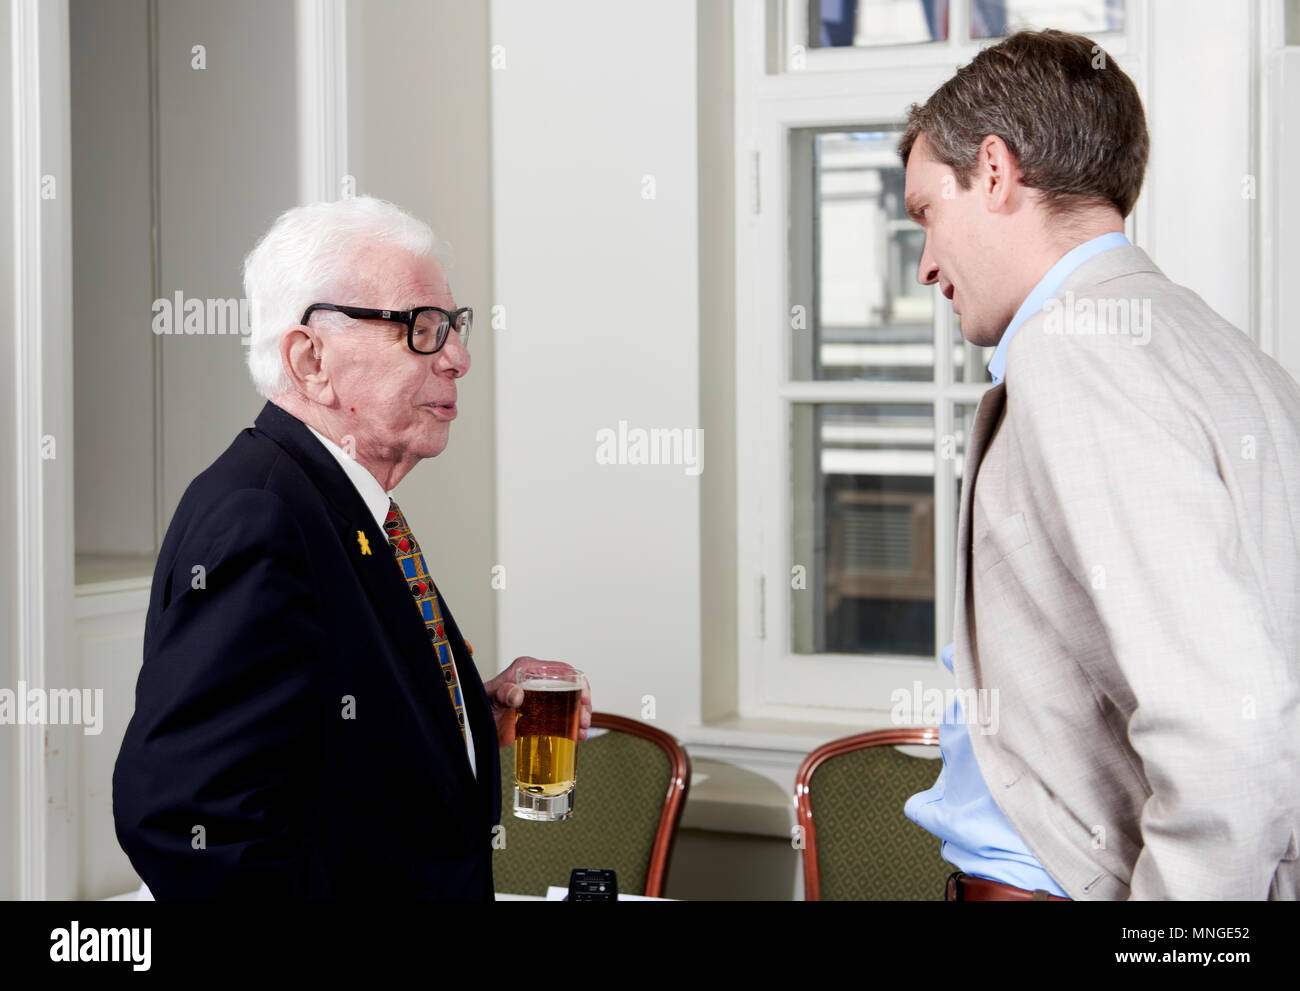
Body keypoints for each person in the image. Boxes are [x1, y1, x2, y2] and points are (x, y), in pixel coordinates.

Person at [898, 29, 1300, 900]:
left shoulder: (1077, 354)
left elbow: (1230, 732)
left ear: (996, 171)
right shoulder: (1222, 351)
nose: (928, 263)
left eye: (927, 211)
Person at [113, 196, 591, 899]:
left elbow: (331, 744)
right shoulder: (260, 517)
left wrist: (461, 716)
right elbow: (191, 823)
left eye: (453, 327)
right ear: (311, 360)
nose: (457, 357)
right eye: (420, 329)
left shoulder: (340, 501)